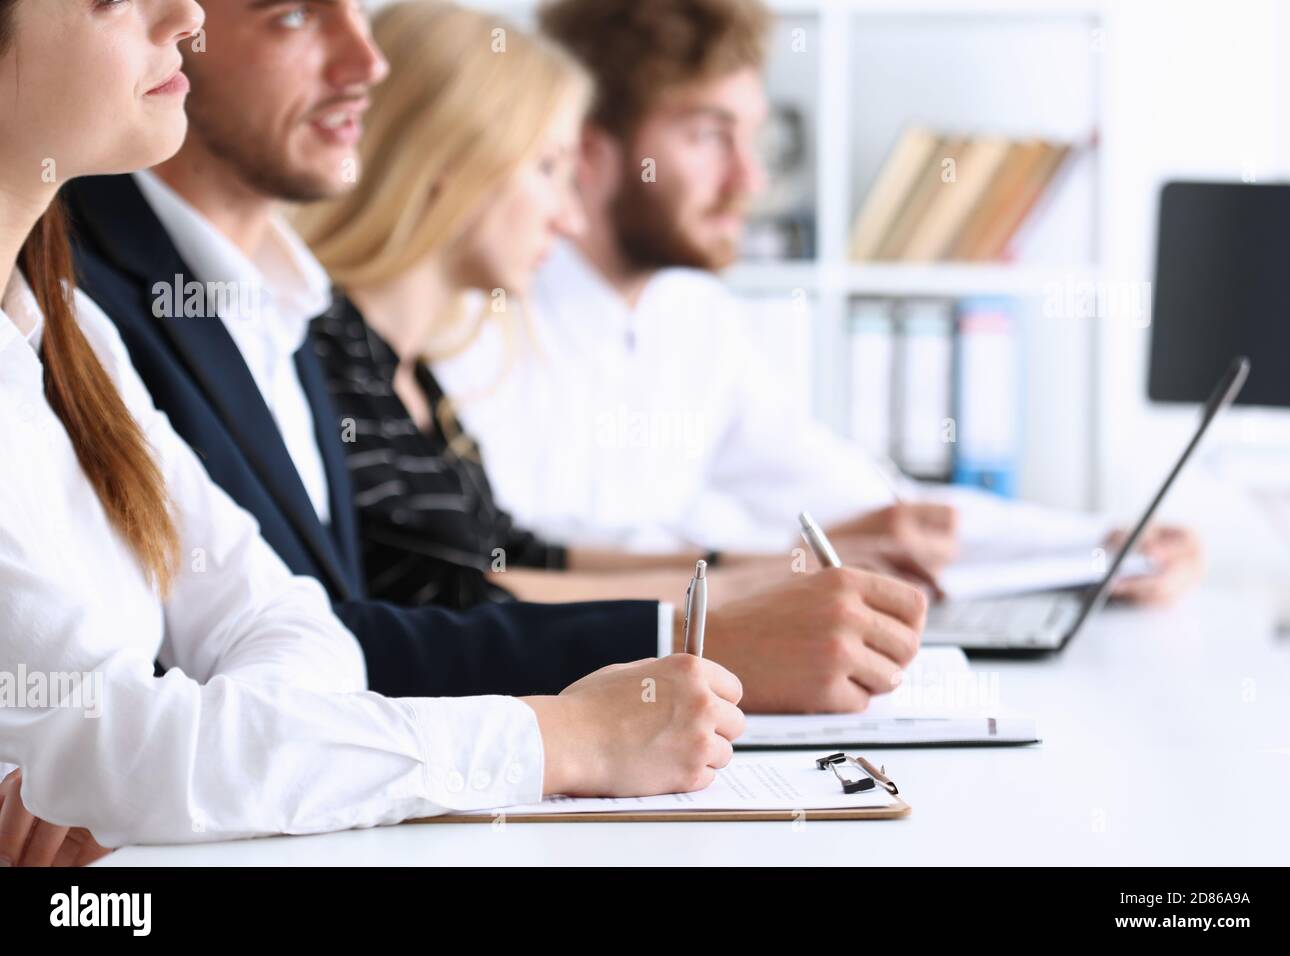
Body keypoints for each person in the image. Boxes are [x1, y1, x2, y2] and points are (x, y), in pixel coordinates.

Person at [0, 0, 744, 866]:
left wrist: (212, 754)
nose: (182, 14)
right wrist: (557, 740)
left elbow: (286, 621)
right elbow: (122, 745)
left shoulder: (65, 326)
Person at [63, 0, 928, 714]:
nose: (366, 61)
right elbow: (393, 615)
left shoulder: (294, 310)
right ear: (449, 164)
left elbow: (472, 569)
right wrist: (705, 629)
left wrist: (738, 594)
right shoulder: (112, 294)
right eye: (292, 16)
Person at [433, 0, 1204, 604]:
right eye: (709, 136)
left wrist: (1105, 545)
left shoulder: (692, 318)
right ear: (591, 150)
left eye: (752, 139)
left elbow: (871, 504)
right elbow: (516, 555)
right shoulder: (476, 318)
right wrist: (778, 555)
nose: (750, 180)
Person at [296, 0, 941, 617]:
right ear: (450, 165)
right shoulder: (331, 363)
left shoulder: (413, 377)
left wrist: (770, 575)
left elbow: (518, 556)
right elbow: (449, 601)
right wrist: (732, 605)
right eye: (550, 168)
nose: (570, 215)